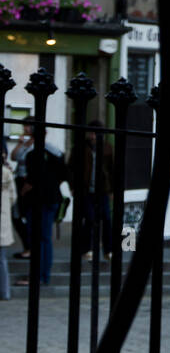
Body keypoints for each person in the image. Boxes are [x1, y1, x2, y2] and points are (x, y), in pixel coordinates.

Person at [20, 134, 69, 286]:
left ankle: (39, 275)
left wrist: (22, 193)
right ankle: (43, 275)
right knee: (45, 238)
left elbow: (31, 179)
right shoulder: (55, 154)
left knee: (38, 238)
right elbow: (63, 174)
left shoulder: (32, 154)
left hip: (38, 200)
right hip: (52, 198)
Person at [76, 120, 113, 262]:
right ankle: (87, 249)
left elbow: (112, 169)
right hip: (86, 190)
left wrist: (112, 190)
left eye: (96, 133)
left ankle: (108, 250)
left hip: (102, 190)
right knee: (90, 219)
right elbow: (72, 166)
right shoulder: (82, 147)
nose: (93, 136)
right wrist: (74, 187)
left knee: (107, 219)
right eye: (91, 133)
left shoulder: (107, 147)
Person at [10, 117, 35, 257]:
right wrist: (19, 144)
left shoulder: (37, 144)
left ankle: (30, 248)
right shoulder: (24, 143)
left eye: (27, 126)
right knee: (17, 215)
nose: (25, 129)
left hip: (29, 182)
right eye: (24, 126)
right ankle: (28, 246)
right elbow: (13, 157)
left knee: (28, 215)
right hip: (19, 179)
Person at [0, 140, 14, 300]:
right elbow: (13, 197)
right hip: (3, 220)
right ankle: (5, 292)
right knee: (2, 260)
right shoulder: (7, 173)